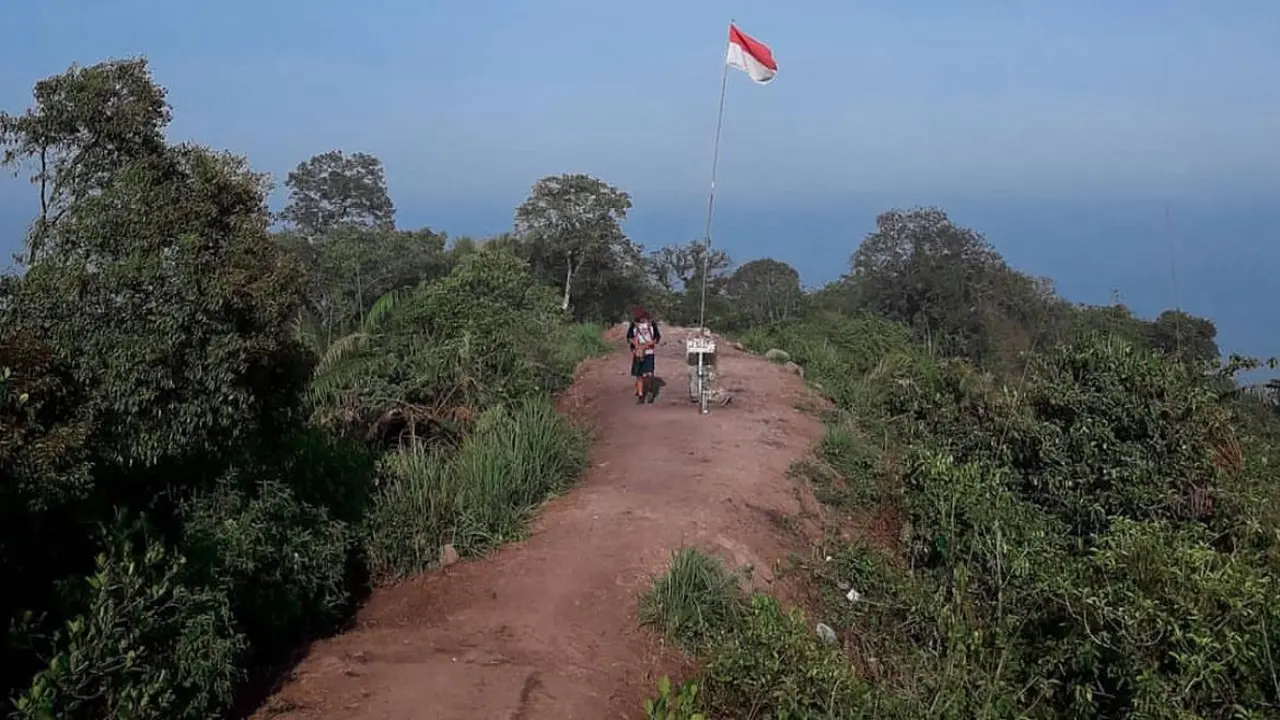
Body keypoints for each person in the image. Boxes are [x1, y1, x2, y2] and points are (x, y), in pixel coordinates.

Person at [626, 307, 661, 404]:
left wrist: (647, 345)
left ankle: (649, 390)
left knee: (649, 373)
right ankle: (641, 395)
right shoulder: (634, 325)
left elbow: (657, 338)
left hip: (649, 351)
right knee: (639, 375)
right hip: (638, 352)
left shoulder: (651, 324)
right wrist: (637, 346)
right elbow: (629, 337)